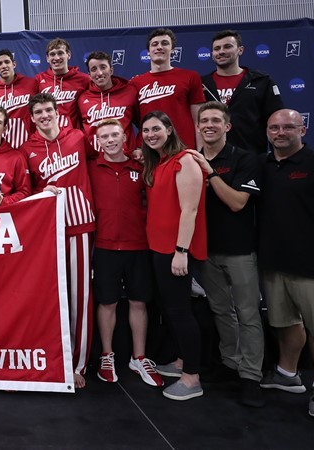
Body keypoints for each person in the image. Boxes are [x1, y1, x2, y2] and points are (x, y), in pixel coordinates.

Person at [184, 102, 264, 407]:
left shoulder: (245, 159)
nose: (209, 125)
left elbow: (237, 203)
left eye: (216, 120)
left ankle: (251, 376)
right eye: (204, 120)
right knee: (220, 310)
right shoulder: (192, 158)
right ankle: (231, 364)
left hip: (239, 249)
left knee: (247, 313)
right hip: (206, 250)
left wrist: (210, 173)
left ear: (227, 126)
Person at [22, 93, 95, 387]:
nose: (44, 115)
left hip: (78, 225)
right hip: (45, 232)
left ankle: (79, 363)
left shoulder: (77, 137)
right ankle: (51, 357)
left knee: (80, 298)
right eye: (38, 111)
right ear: (32, 116)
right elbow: (26, 190)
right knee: (47, 297)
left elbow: (106, 157)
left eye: (48, 110)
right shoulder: (27, 148)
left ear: (57, 111)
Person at [87, 119, 163, 388]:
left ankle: (138, 356)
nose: (110, 140)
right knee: (106, 302)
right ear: (98, 141)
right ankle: (107, 355)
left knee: (138, 301)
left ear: (125, 137)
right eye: (104, 136)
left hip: (139, 246)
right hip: (105, 247)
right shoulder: (91, 167)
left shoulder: (142, 166)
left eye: (115, 134)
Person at [257, 109, 314, 419]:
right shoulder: (263, 165)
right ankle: (287, 372)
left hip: (312, 263)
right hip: (273, 260)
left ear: (303, 130)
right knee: (284, 321)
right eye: (274, 128)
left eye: (287, 127)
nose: (280, 132)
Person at [141, 110, 207, 401]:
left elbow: (190, 210)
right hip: (158, 248)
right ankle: (181, 361)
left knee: (181, 312)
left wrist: (181, 251)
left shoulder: (186, 161)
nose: (150, 135)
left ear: (169, 129)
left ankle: (192, 378)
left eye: (156, 129)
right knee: (171, 310)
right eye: (145, 131)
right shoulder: (160, 163)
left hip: (175, 250)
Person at [201, 30, 284, 153]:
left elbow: (275, 121)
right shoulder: (201, 84)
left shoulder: (260, 81)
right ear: (212, 53)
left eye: (227, 46)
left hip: (252, 156)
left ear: (240, 50)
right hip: (213, 158)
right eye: (217, 48)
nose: (221, 51)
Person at [131, 28, 205, 150]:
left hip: (183, 148)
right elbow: (136, 119)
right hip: (151, 153)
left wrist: (200, 152)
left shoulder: (190, 77)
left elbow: (198, 121)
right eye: (154, 44)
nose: (159, 47)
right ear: (148, 51)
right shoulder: (136, 83)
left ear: (173, 50)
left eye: (164, 43)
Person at [78, 51, 139, 154]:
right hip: (95, 161)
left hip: (126, 158)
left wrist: (139, 147)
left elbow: (143, 124)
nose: (100, 73)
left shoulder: (129, 92)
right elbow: (79, 131)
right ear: (89, 75)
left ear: (111, 70)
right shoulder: (83, 98)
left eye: (103, 67)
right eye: (94, 69)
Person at [35, 38, 91, 131]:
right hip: (49, 136)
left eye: (60, 53)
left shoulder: (84, 79)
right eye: (52, 54)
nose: (56, 58)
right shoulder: (39, 80)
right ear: (47, 58)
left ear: (68, 55)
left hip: (74, 137)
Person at [0, 49, 38, 148]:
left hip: (30, 143)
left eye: (7, 62)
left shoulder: (31, 83)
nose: (4, 66)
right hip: (2, 146)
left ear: (14, 64)